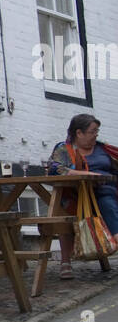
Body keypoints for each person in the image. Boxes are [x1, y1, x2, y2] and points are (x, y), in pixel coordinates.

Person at [46, 113, 118, 278]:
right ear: (79, 133)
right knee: (63, 213)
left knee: (108, 203)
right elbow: (54, 168)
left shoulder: (102, 149)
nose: (96, 135)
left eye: (97, 131)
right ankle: (65, 262)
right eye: (92, 131)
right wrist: (84, 173)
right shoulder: (64, 149)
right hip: (74, 195)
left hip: (104, 191)